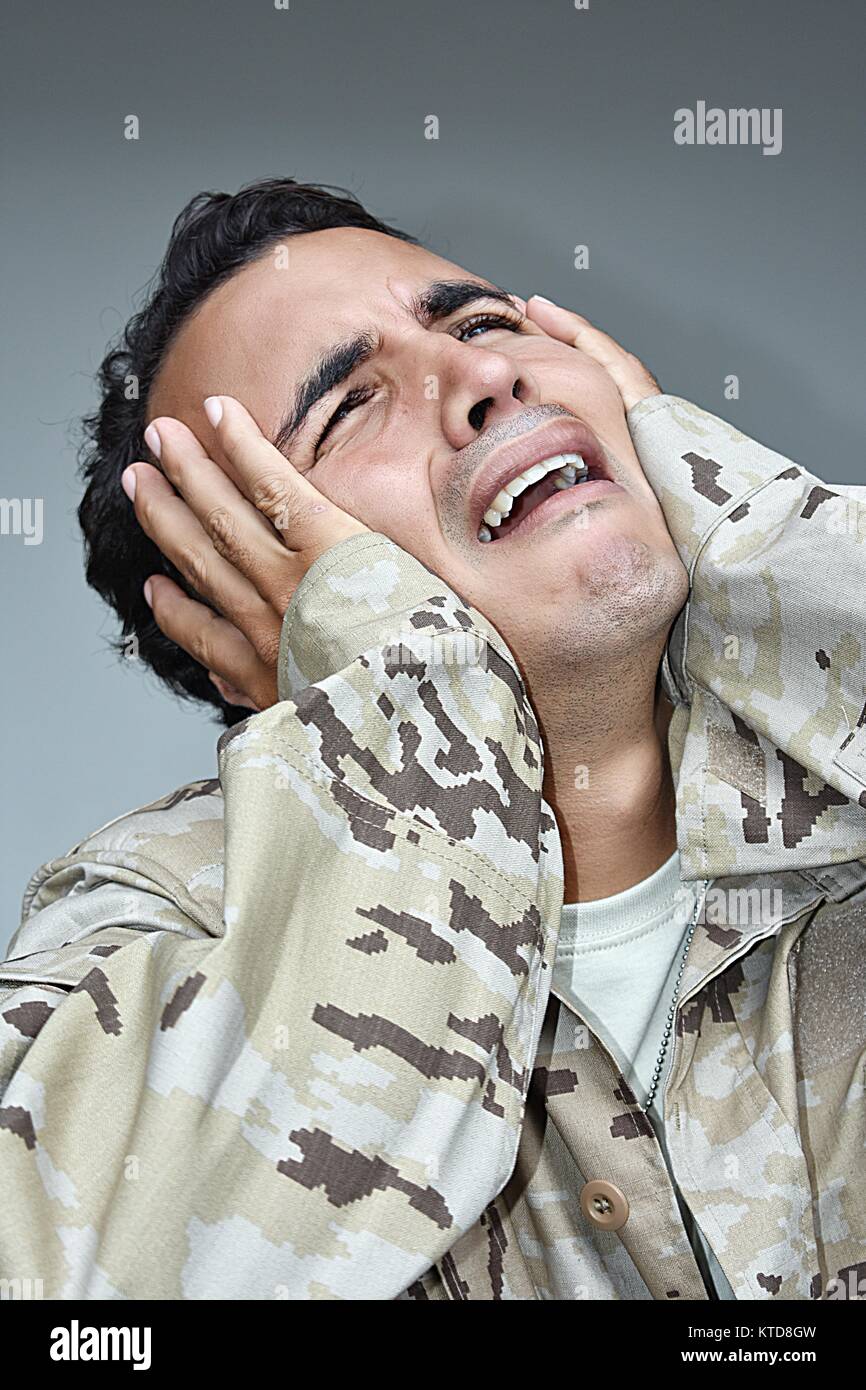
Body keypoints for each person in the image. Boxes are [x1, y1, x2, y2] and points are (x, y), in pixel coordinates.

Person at [1, 179, 864, 1301]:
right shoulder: (150, 924)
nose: (482, 375)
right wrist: (397, 700)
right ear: (237, 595)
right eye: (349, 405)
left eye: (481, 322)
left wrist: (772, 547)